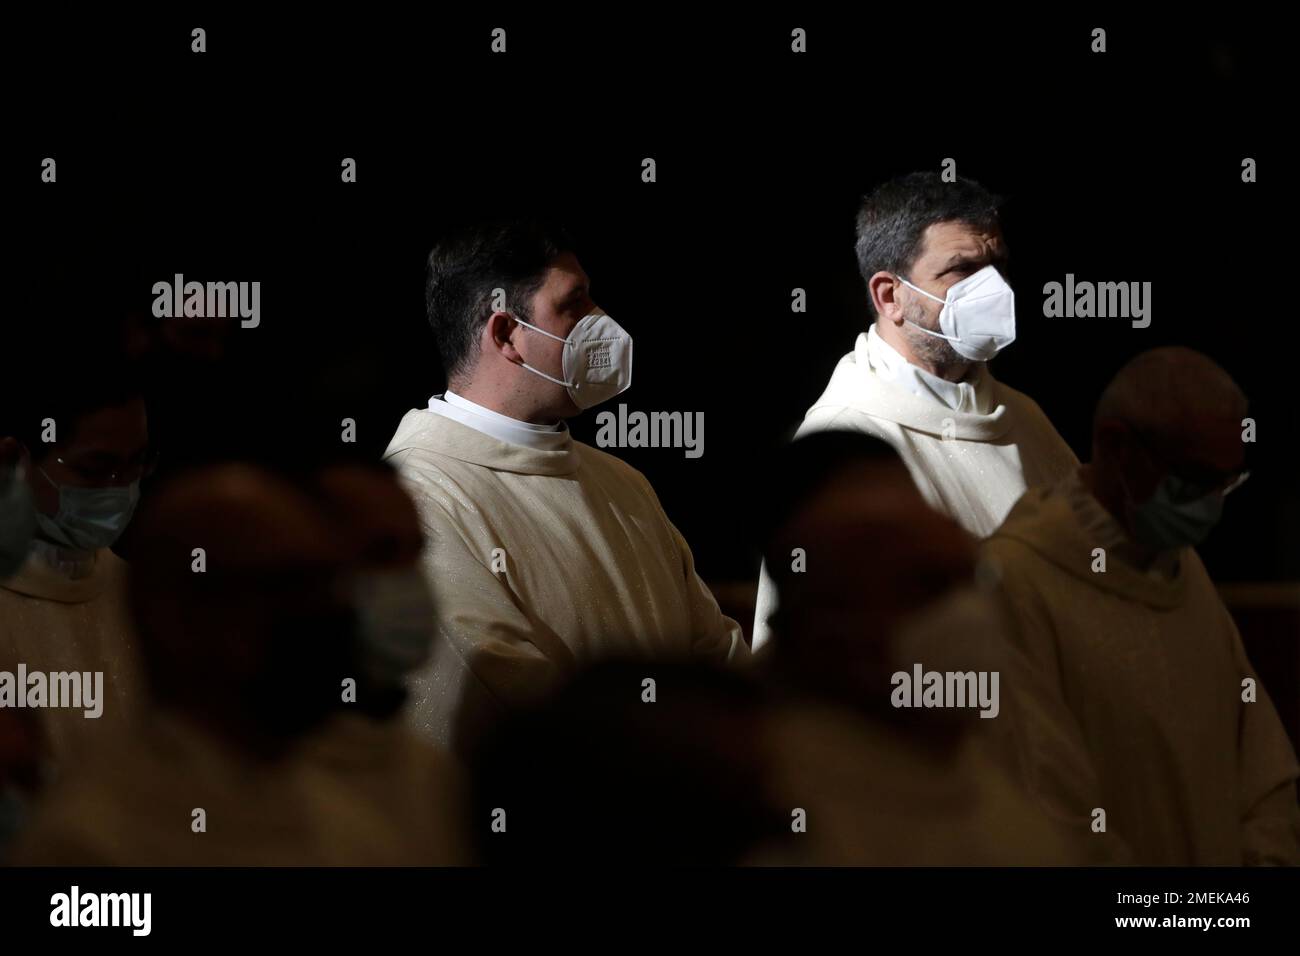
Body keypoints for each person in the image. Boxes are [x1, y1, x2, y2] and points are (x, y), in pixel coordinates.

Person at [385, 219, 746, 756]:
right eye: (574, 305)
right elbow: (499, 699)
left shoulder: (621, 482)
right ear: (506, 334)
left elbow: (712, 651)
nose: (601, 322)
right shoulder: (419, 495)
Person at [13, 463, 459, 865]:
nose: (321, 614)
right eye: (284, 586)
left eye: (322, 584)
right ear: (178, 617)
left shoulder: (368, 800)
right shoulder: (90, 842)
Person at [981, 348, 1300, 865]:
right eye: (1194, 480)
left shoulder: (1181, 566)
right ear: (1117, 446)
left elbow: (1261, 763)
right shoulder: (1015, 581)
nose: (1211, 507)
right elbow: (1052, 807)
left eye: (1227, 484)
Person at [753, 172, 1077, 652]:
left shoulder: (1024, 417)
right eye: (962, 270)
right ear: (890, 296)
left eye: (997, 266)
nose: (994, 290)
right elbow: (814, 657)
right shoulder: (843, 442)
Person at [752, 431, 1089, 865]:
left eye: (967, 580)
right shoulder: (764, 794)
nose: (963, 615)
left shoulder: (975, 761)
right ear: (822, 616)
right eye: (924, 585)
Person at [0, 369, 150, 773]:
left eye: (135, 465)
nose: (120, 488)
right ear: (14, 460)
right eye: (95, 469)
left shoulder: (146, 593)